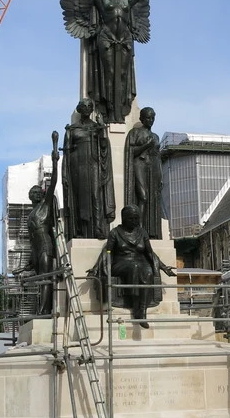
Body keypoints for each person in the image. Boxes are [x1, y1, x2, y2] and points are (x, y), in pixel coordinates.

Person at [84, 0, 167, 124]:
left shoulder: (128, 1)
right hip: (107, 37)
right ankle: (108, 107)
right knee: (108, 73)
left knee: (122, 74)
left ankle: (119, 109)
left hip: (125, 39)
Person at [89, 205, 174, 329]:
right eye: (131, 218)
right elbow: (107, 252)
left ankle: (142, 311)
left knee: (148, 272)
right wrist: (96, 268)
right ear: (124, 218)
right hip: (120, 263)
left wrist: (164, 267)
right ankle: (136, 306)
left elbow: (150, 252)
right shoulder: (115, 233)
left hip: (140, 262)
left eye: (136, 218)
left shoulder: (142, 232)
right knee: (134, 267)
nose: (135, 221)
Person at [62, 98, 115, 240]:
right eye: (83, 106)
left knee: (96, 196)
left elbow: (104, 145)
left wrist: (103, 127)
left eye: (89, 106)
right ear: (79, 109)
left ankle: (98, 228)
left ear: (92, 110)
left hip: (93, 165)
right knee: (79, 198)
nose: (86, 109)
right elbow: (66, 154)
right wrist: (65, 174)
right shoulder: (72, 129)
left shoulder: (97, 128)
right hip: (77, 167)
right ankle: (80, 230)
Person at [27, 131, 59, 316]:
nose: (37, 194)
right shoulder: (31, 214)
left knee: (46, 279)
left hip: (46, 247)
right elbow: (31, 240)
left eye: (39, 192)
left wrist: (55, 161)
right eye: (34, 193)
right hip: (37, 249)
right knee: (40, 281)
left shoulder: (45, 205)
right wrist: (29, 260)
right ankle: (43, 309)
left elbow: (53, 182)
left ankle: (45, 310)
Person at [125, 106, 164, 239]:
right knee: (143, 197)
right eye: (148, 117)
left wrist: (161, 176)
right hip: (139, 164)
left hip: (152, 167)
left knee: (152, 198)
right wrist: (146, 145)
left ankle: (151, 230)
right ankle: (138, 228)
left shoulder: (156, 136)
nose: (151, 120)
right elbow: (130, 152)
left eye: (153, 117)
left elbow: (158, 157)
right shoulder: (134, 133)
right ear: (142, 118)